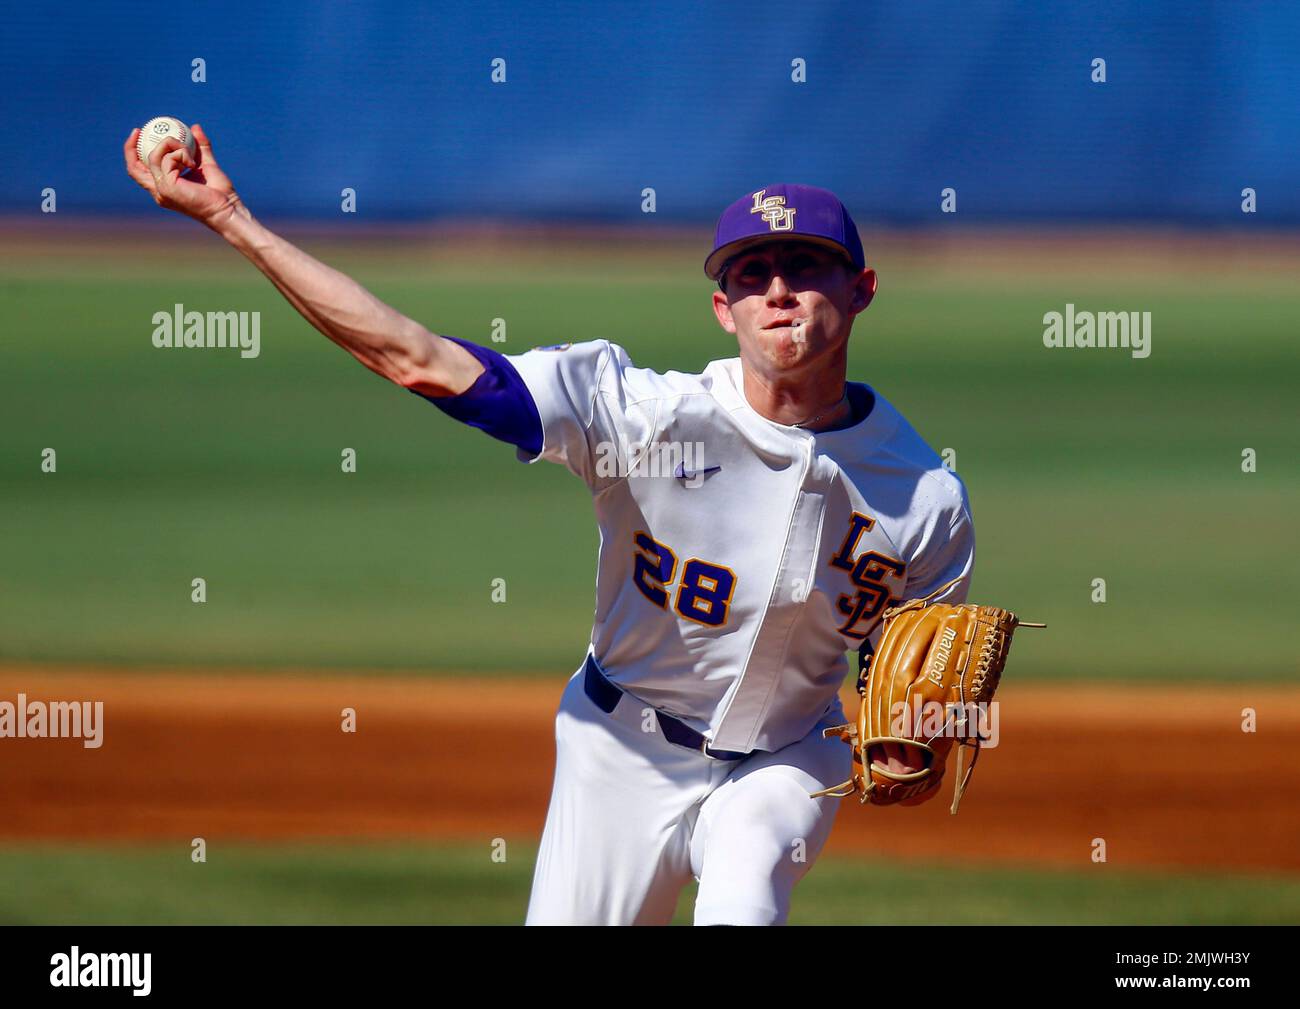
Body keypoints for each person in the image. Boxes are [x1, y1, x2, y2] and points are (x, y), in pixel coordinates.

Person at [124, 128, 975, 926]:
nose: (779, 290)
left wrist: (914, 742)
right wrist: (231, 221)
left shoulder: (927, 497)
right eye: (753, 273)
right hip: (617, 754)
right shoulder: (645, 416)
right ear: (724, 309)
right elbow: (416, 357)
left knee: (747, 877)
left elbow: (910, 676)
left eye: (807, 265)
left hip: (785, 761)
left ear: (861, 290)